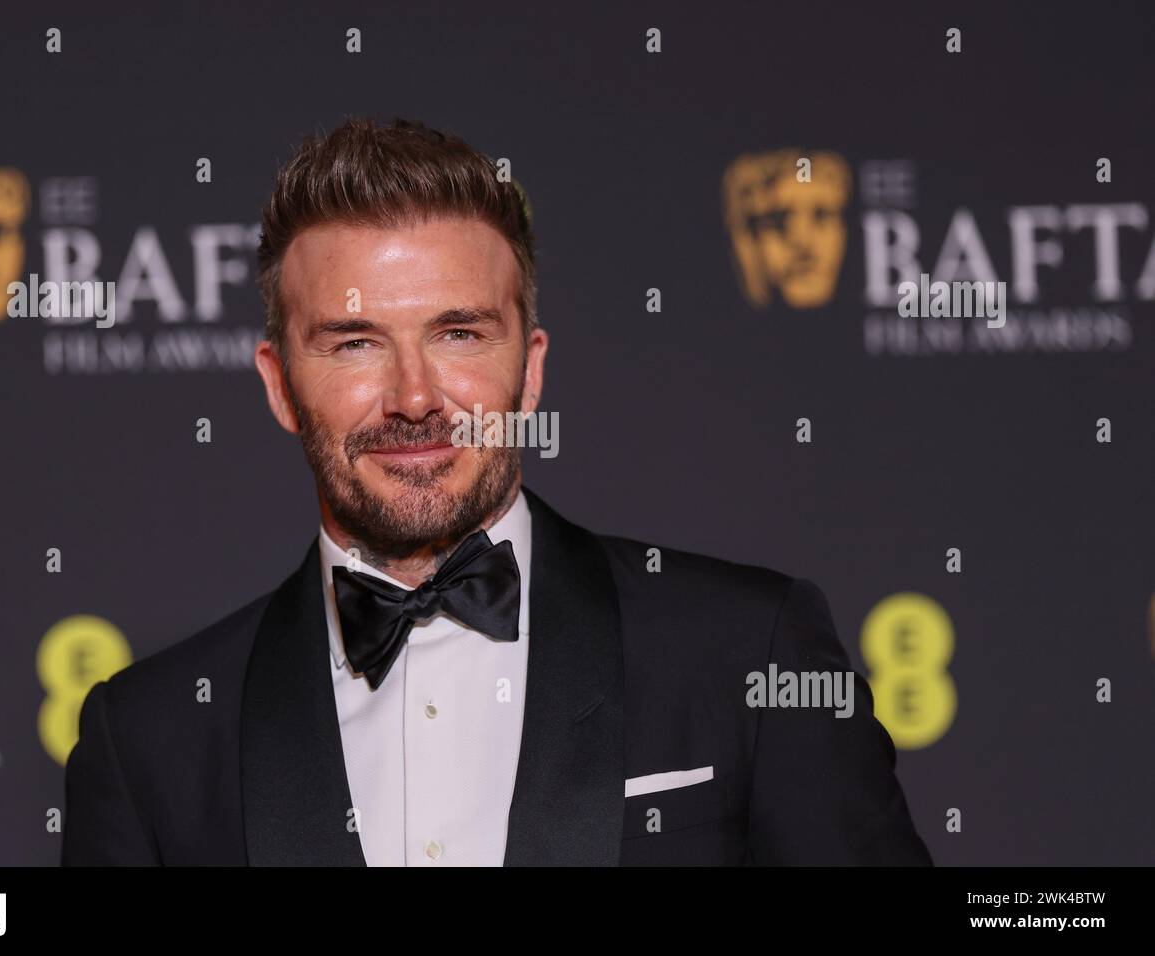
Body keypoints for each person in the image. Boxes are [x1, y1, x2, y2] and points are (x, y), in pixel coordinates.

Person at [62, 116, 932, 866]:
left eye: (459, 333)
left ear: (531, 369)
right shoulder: (148, 743)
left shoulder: (750, 655)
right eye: (355, 343)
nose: (413, 396)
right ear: (280, 386)